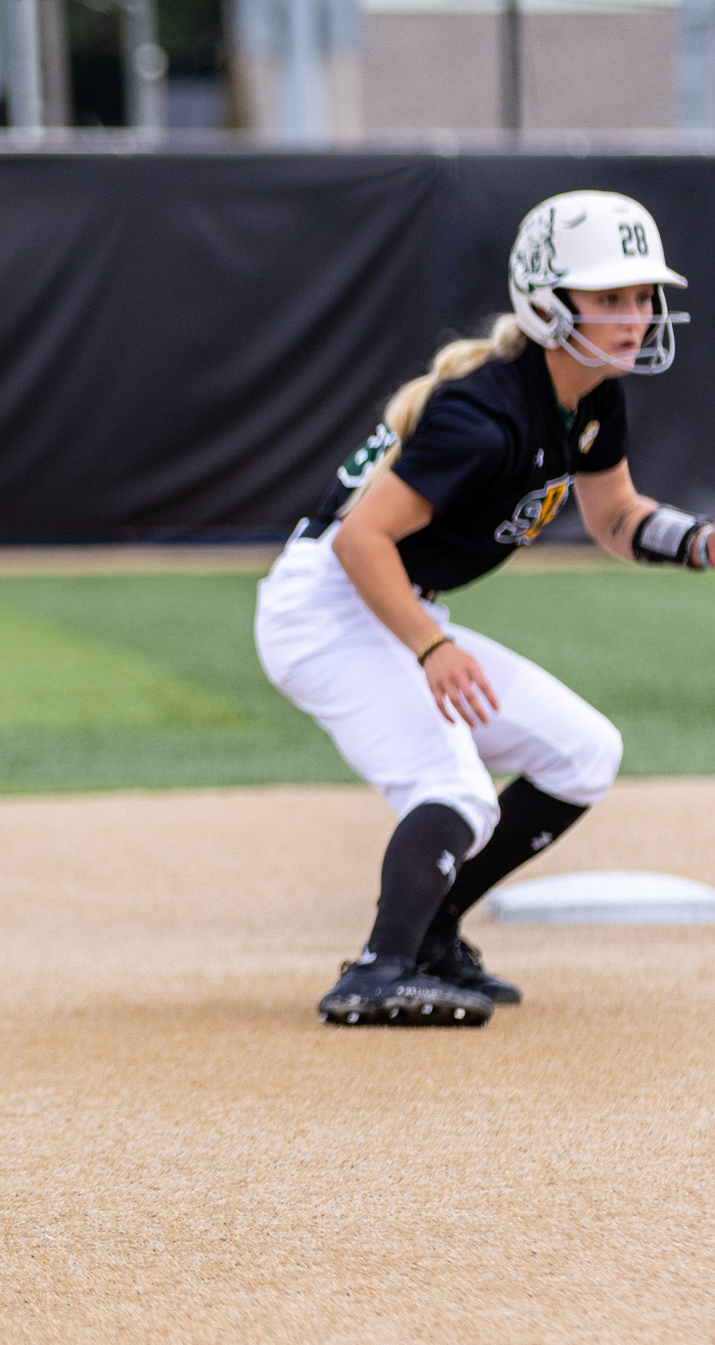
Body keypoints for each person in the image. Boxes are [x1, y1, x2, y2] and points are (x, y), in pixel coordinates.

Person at [255, 190, 709, 1027]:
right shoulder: (483, 413)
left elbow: (613, 517)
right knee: (453, 786)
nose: (636, 315)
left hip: (389, 600)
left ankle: (433, 935)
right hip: (324, 608)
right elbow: (359, 541)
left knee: (582, 753)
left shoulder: (589, 395)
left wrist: (699, 542)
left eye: (643, 295)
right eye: (610, 297)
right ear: (547, 304)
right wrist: (431, 649)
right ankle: (377, 971)